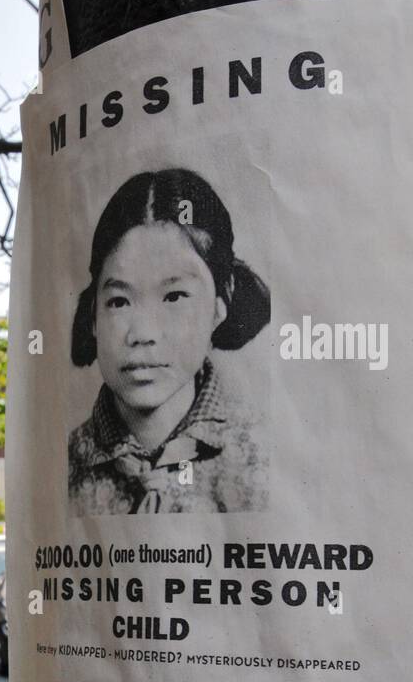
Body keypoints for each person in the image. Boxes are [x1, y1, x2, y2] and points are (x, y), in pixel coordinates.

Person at [67, 168, 270, 515]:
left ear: (221, 300)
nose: (143, 334)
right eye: (119, 301)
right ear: (93, 315)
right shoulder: (67, 460)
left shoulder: (261, 455)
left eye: (174, 296)